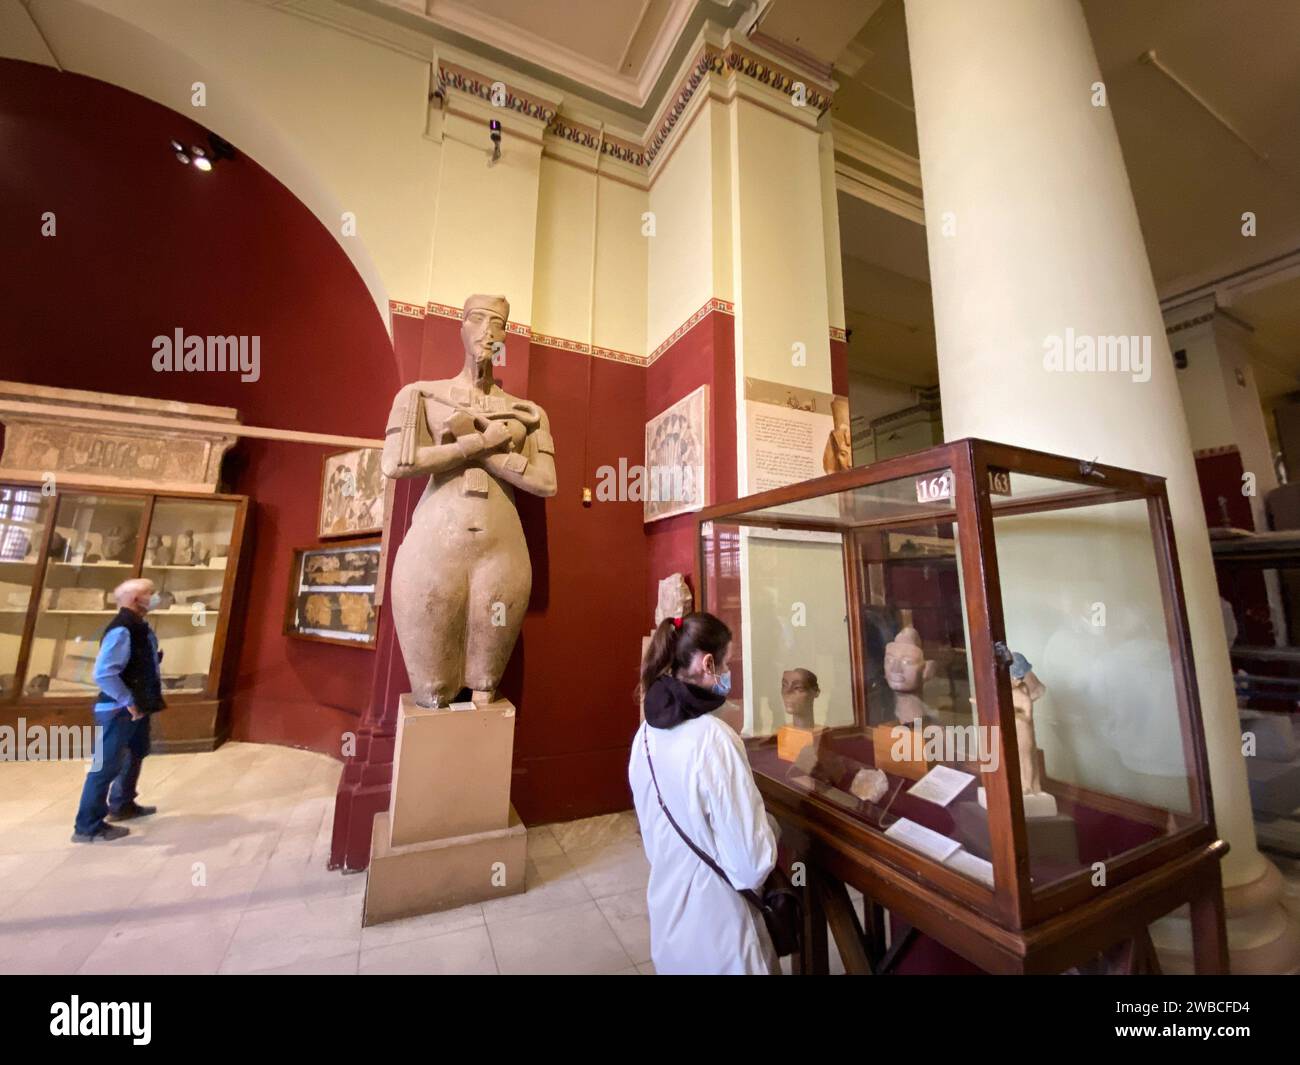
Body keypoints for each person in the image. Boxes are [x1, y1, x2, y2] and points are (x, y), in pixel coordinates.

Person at [629, 611, 779, 975]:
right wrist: (772, 827)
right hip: (721, 930)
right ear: (709, 663)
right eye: (727, 662)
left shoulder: (644, 739)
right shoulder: (713, 738)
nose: (729, 673)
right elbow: (750, 864)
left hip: (669, 920)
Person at [72, 577, 165, 843]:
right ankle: (88, 826)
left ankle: (122, 803)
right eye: (151, 593)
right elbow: (104, 673)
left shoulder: (138, 627)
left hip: (137, 704)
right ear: (136, 599)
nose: (155, 597)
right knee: (106, 765)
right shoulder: (122, 629)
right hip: (119, 707)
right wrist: (127, 699)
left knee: (136, 752)